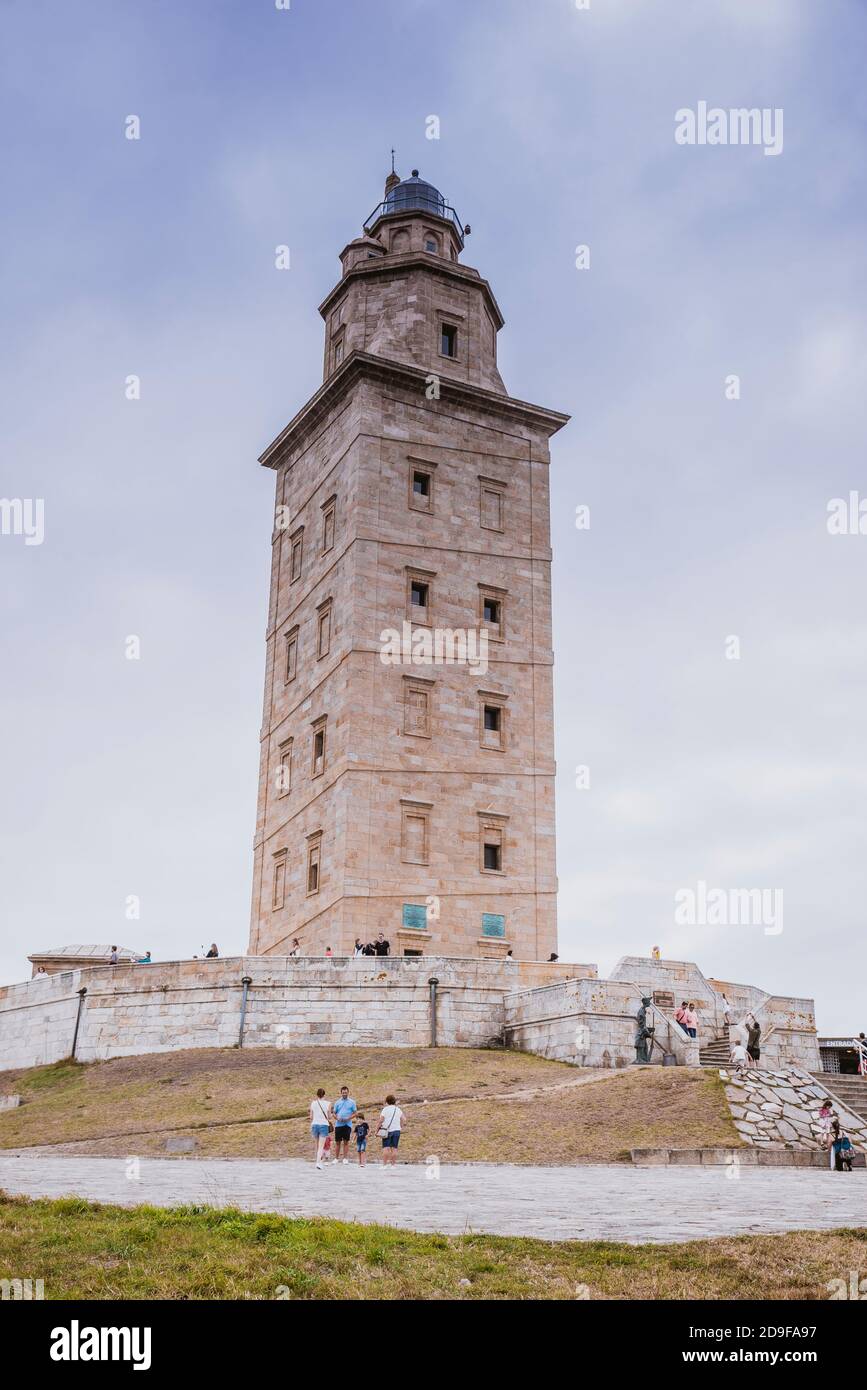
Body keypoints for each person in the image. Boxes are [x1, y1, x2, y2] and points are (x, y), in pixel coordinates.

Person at [332, 1085, 357, 1164]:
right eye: (343, 1093)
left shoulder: (352, 1102)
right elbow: (334, 1113)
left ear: (348, 1092)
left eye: (346, 1093)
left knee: (346, 1142)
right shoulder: (337, 1102)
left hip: (347, 1125)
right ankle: (336, 1158)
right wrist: (337, 1118)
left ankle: (345, 1158)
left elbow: (355, 1113)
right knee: (338, 1142)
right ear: (341, 1093)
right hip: (338, 1125)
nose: (344, 1094)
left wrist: (349, 1118)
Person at [378, 1093, 405, 1166]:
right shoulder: (398, 1109)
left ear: (387, 1102)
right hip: (397, 1131)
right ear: (394, 1101)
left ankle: (384, 1165)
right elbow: (403, 1119)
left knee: (386, 1148)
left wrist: (377, 1129)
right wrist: (400, 1127)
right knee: (394, 1148)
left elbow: (381, 1120)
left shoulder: (385, 1109)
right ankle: (393, 1165)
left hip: (387, 1131)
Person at [310, 1088, 333, 1169]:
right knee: (321, 1146)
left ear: (317, 1095)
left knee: (317, 1145)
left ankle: (317, 1162)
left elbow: (311, 1117)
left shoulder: (313, 1103)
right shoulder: (328, 1103)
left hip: (315, 1124)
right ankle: (318, 1163)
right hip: (323, 1125)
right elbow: (329, 1116)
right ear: (324, 1095)